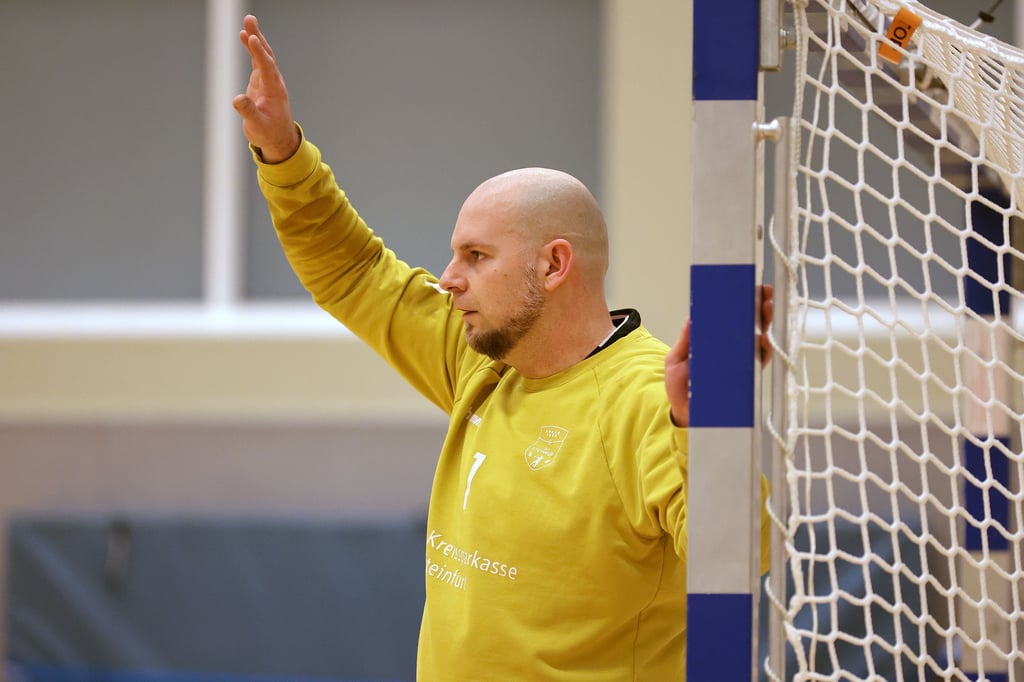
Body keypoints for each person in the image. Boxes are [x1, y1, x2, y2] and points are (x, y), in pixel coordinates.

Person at [233, 14, 771, 680]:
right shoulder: (481, 360)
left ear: (554, 264)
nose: (449, 278)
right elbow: (354, 272)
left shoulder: (644, 401)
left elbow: (742, 556)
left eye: (477, 256)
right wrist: (282, 153)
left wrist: (705, 430)